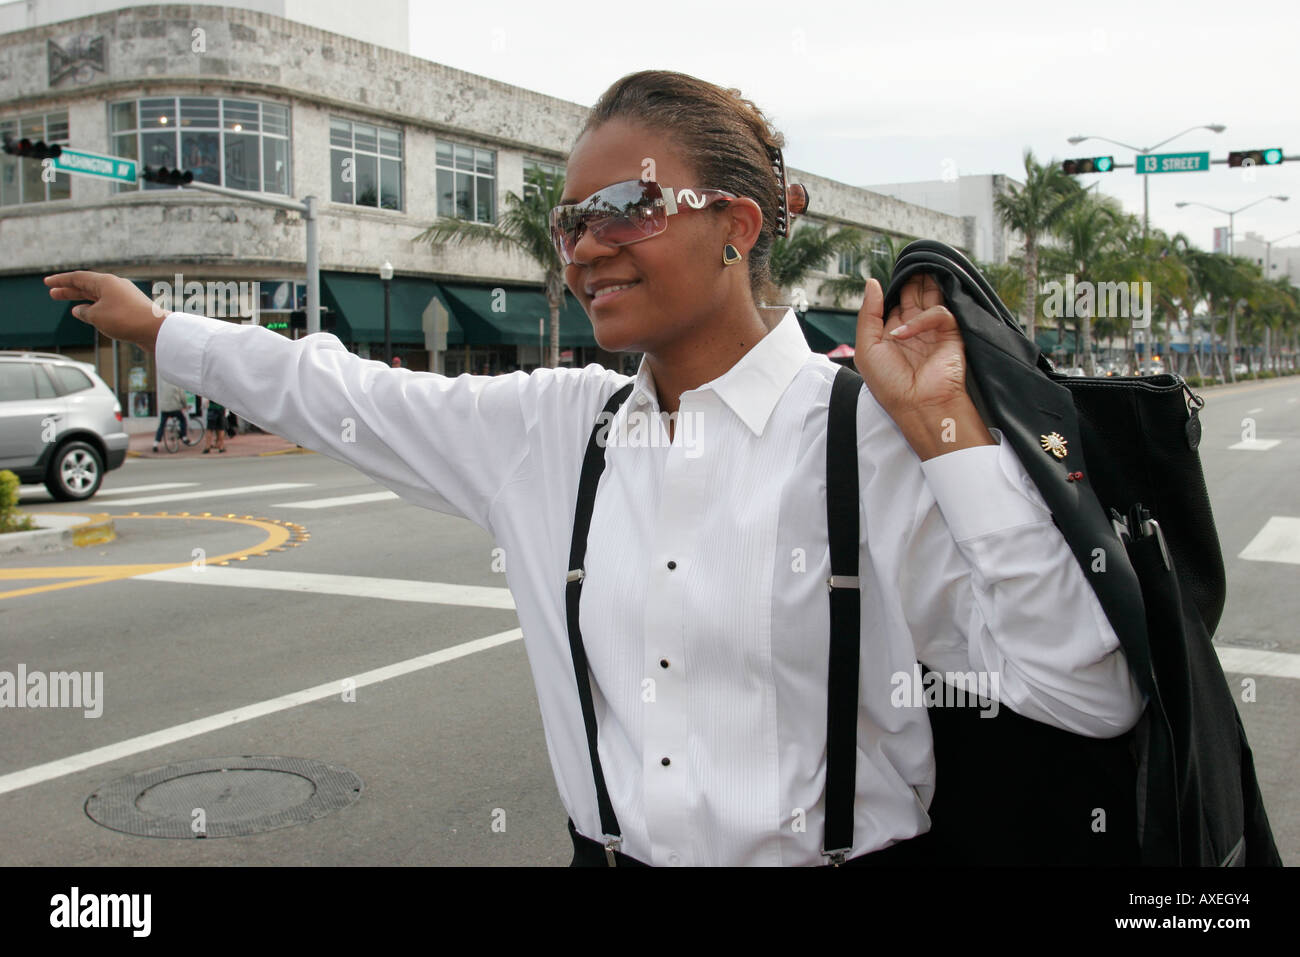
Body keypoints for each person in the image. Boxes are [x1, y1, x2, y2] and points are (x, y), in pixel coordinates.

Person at [44, 69, 1144, 867]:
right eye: (571, 219)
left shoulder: (873, 435)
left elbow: (1084, 694)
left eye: (623, 208)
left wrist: (951, 436)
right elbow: (348, 395)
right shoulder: (551, 432)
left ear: (737, 225)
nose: (579, 245)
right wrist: (161, 330)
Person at [152, 376, 188, 452]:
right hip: (175, 408)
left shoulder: (164, 382)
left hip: (164, 409)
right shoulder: (178, 384)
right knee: (183, 420)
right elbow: (183, 397)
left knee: (162, 425)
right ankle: (184, 437)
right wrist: (185, 406)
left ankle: (155, 443)